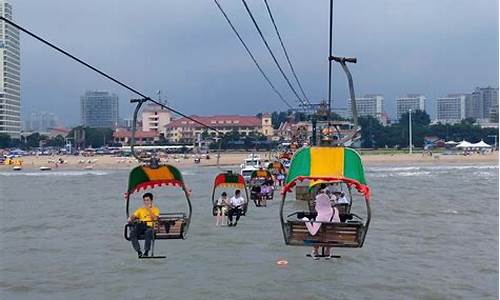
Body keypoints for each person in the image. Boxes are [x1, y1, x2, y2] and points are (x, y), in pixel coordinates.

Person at [302, 193, 340, 260]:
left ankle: (316, 252)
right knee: (329, 231)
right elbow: (338, 223)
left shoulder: (320, 216)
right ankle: (327, 252)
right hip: (334, 237)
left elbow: (313, 232)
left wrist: (306, 220)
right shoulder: (335, 210)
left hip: (321, 237)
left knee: (317, 233)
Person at [128, 192, 160, 258]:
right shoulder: (140, 209)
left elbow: (155, 218)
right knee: (132, 233)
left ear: (151, 201)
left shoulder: (155, 209)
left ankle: (146, 252)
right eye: (145, 200)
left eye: (147, 200)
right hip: (142, 226)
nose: (146, 202)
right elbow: (133, 216)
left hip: (150, 226)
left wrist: (149, 210)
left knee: (148, 232)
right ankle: (139, 252)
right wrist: (131, 218)